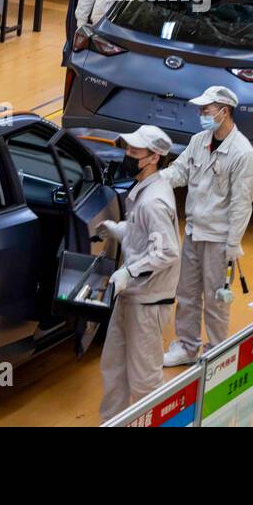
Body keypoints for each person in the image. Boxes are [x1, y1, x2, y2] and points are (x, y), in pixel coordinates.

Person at [162, 85, 253, 367]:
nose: (200, 114)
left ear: (223, 112)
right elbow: (180, 170)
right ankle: (188, 346)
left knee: (216, 300)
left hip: (219, 240)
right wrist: (155, 180)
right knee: (187, 293)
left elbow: (242, 203)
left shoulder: (242, 153)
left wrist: (232, 244)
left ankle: (217, 352)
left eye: (206, 110)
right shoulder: (199, 141)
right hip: (194, 232)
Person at [97, 125, 180, 420]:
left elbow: (167, 251)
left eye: (134, 152)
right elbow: (144, 237)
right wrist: (118, 230)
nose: (127, 157)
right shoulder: (145, 190)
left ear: (154, 157)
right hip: (131, 297)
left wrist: (129, 272)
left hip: (147, 303)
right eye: (127, 151)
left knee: (145, 381)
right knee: (114, 368)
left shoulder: (154, 201)